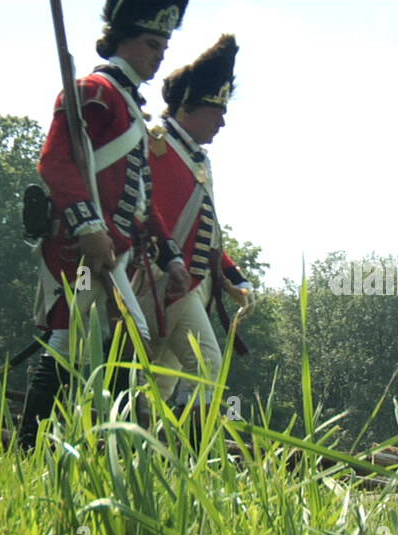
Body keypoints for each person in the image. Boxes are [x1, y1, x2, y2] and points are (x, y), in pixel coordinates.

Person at [20, 0, 192, 447]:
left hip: (119, 254)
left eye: (163, 46)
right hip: (82, 250)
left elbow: (142, 200)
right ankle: (31, 447)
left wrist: (169, 253)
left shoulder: (131, 108)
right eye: (153, 44)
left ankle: (102, 447)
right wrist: (88, 226)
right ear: (124, 40)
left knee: (111, 346)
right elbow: (56, 164)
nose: (160, 55)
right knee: (72, 340)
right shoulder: (95, 91)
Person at [138, 34, 256, 414]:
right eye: (215, 111)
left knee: (158, 381)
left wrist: (232, 275)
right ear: (189, 108)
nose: (222, 122)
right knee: (206, 365)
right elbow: (145, 216)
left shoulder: (197, 159)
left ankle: (140, 456)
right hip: (161, 282)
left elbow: (206, 234)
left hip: (190, 284)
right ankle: (193, 457)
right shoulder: (154, 145)